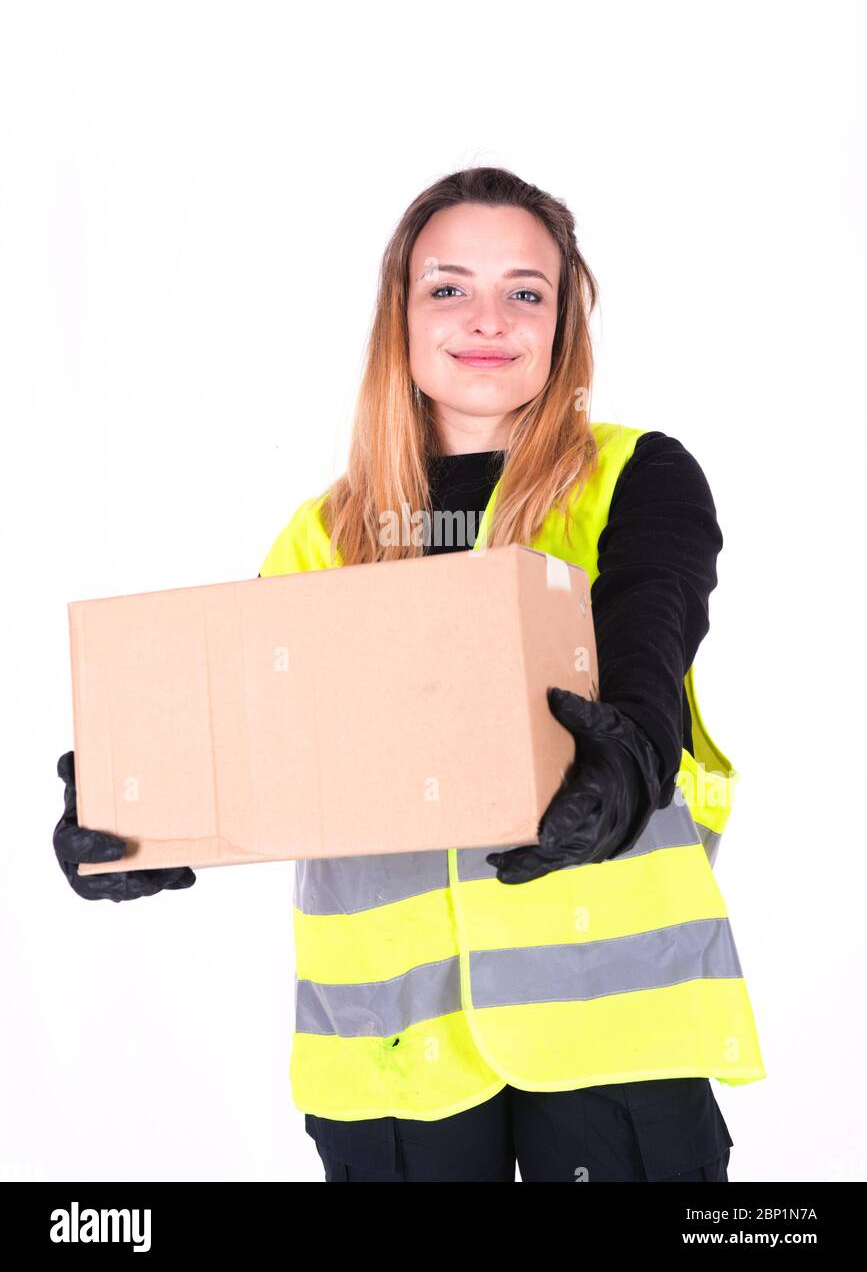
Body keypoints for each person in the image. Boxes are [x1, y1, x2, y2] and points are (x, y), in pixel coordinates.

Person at [55, 165, 765, 1182]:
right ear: (401, 314)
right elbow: (233, 735)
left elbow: (651, 637)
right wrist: (131, 809)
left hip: (616, 1033)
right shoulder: (328, 533)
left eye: (526, 290)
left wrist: (630, 767)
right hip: (389, 1043)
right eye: (449, 287)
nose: (489, 317)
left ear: (564, 322)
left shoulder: (635, 476)